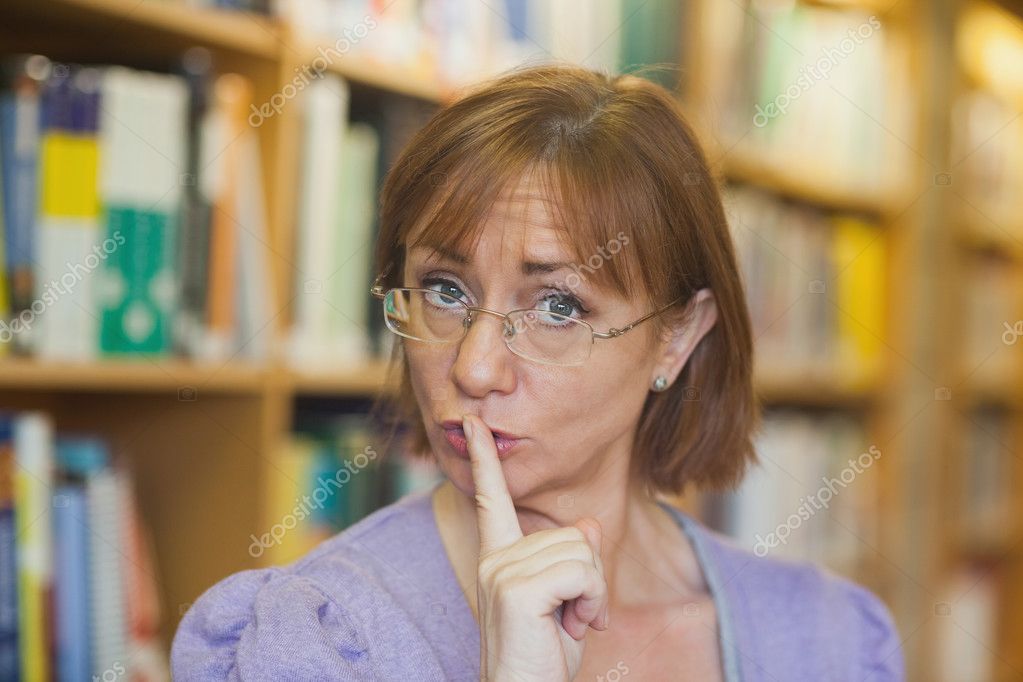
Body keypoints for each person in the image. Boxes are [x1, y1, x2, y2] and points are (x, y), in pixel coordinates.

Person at [171, 63, 904, 681]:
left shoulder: (827, 640)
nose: (474, 366)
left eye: (557, 305)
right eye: (445, 291)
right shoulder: (312, 643)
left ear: (676, 337)